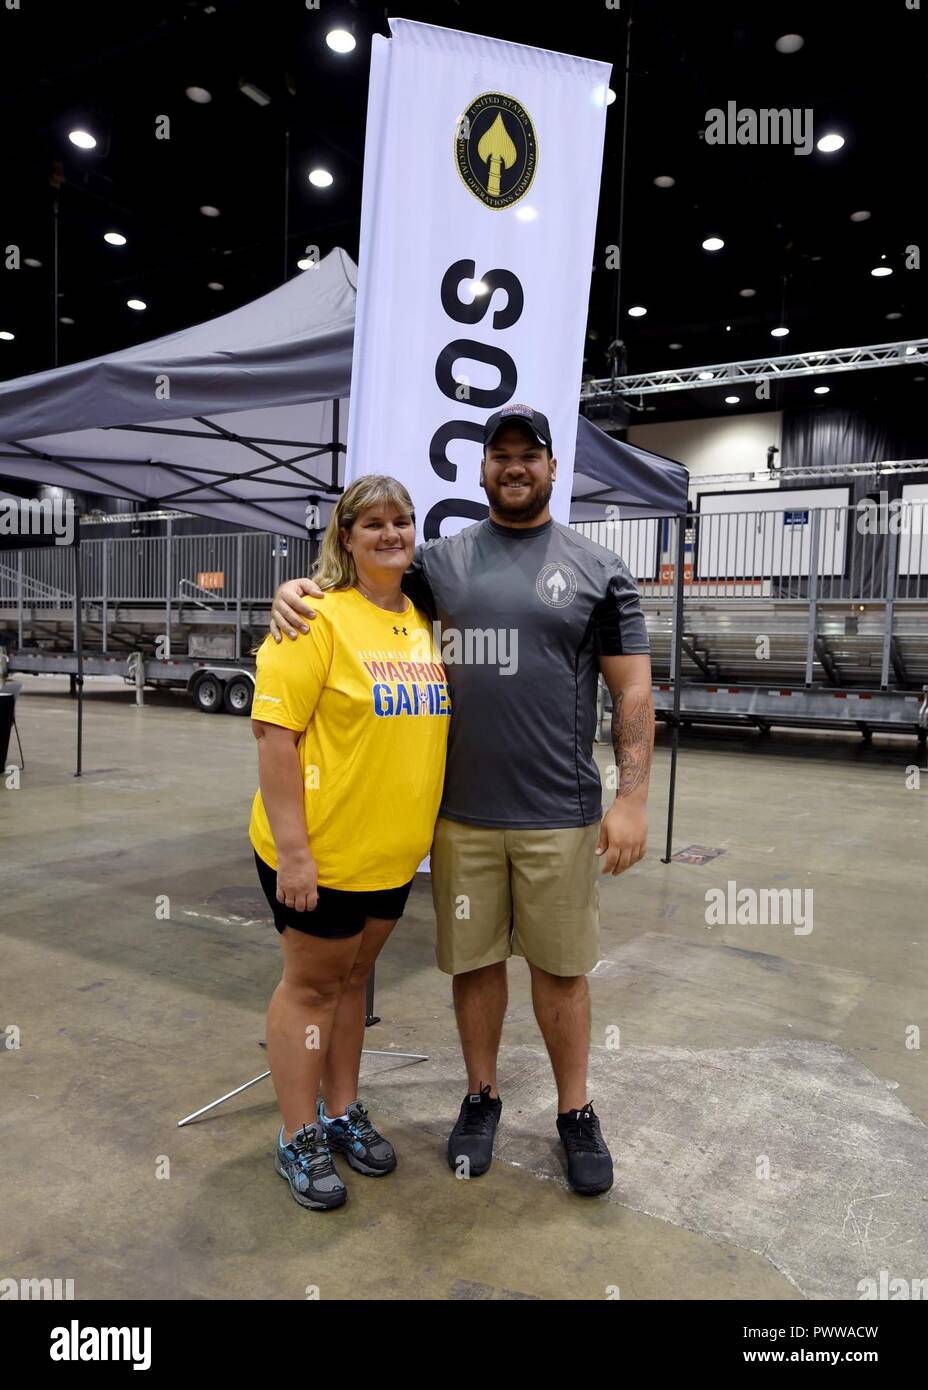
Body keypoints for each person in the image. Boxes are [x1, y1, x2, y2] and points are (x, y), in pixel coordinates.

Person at [271, 404, 653, 1196]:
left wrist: (633, 801)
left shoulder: (601, 570)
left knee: (562, 972)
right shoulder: (437, 563)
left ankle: (574, 1112)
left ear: (552, 469)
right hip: (462, 821)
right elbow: (353, 583)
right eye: (500, 455)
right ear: (480, 470)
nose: (515, 467)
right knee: (475, 967)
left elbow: (635, 693)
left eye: (530, 456)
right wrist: (289, 588)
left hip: (561, 814)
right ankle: (479, 1098)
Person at [251, 474, 449, 1210]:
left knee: (351, 987)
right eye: (373, 523)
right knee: (310, 990)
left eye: (402, 520)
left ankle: (341, 1111)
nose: (391, 533)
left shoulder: (428, 619)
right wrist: (296, 855)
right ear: (346, 536)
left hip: (389, 855)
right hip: (319, 853)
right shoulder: (315, 619)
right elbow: (275, 738)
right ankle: (297, 1133)